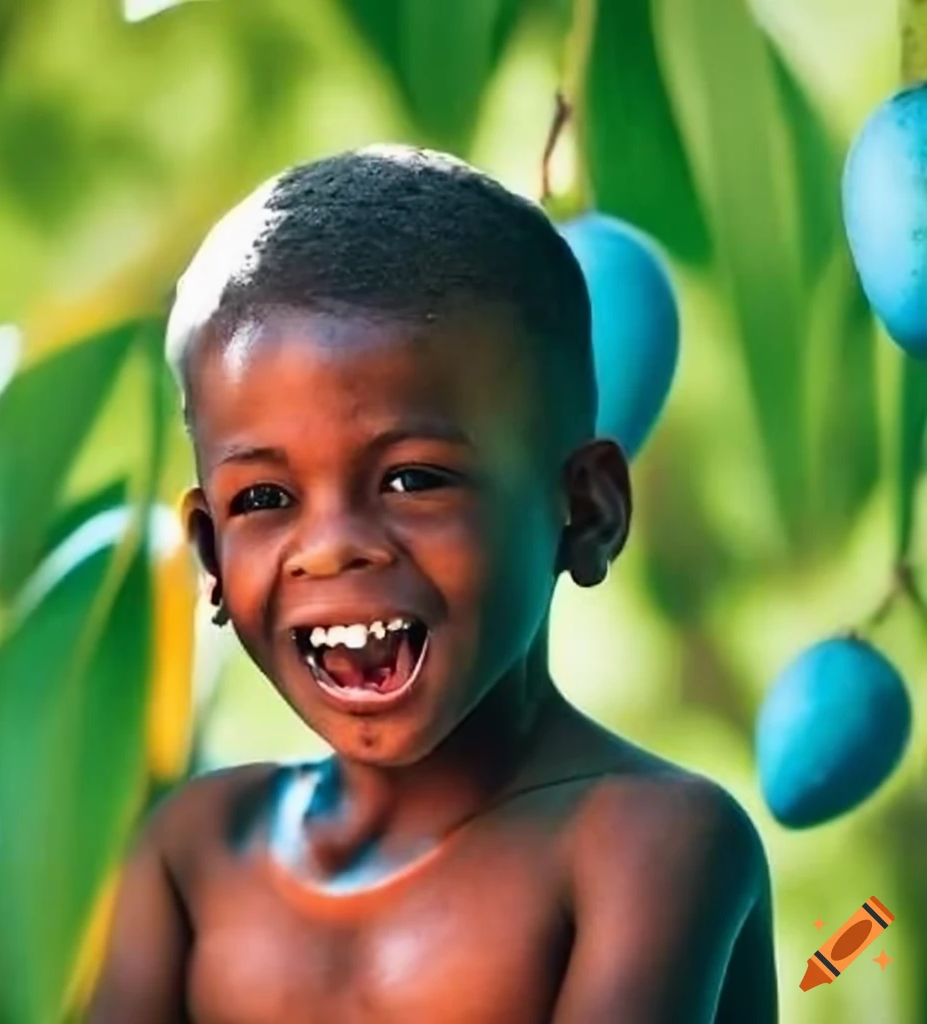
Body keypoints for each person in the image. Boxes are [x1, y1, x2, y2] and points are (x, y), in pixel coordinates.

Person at [87, 145, 778, 1023]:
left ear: (586, 510)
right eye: (264, 498)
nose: (330, 550)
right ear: (213, 554)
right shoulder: (195, 855)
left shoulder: (650, 843)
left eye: (413, 479)